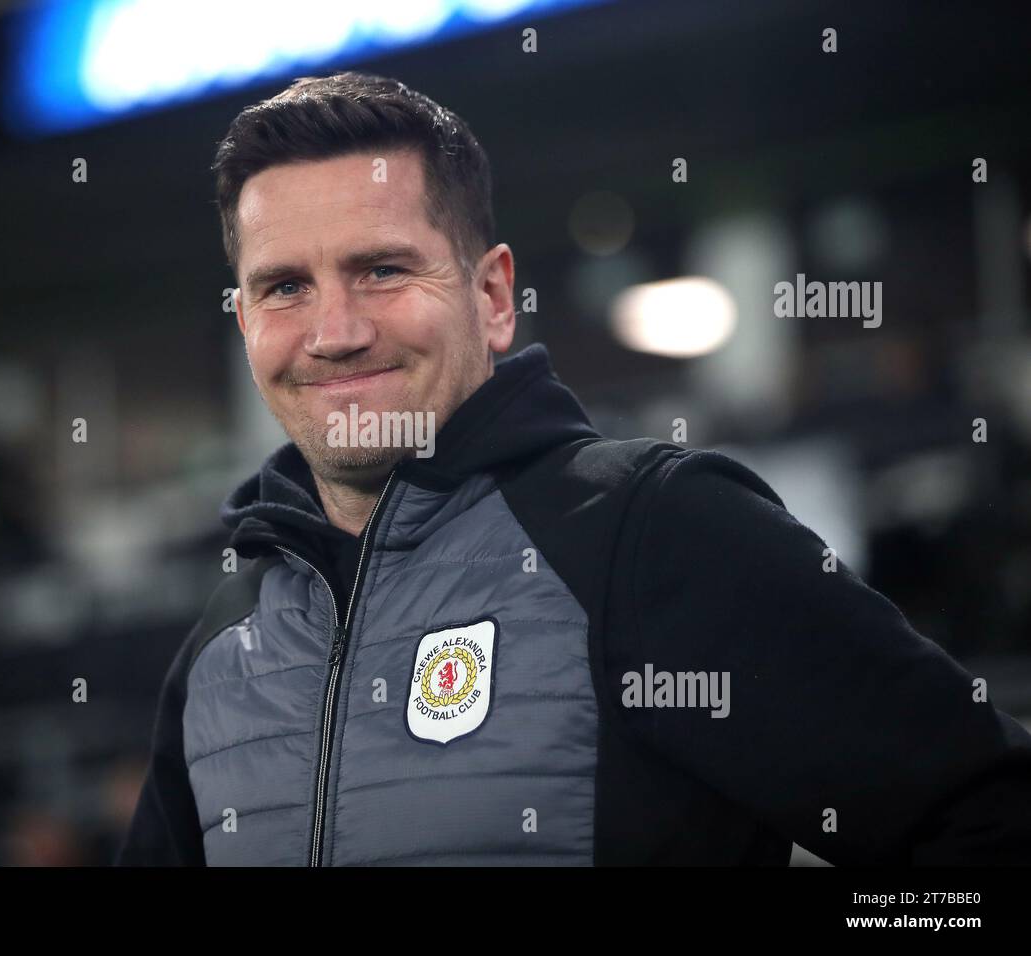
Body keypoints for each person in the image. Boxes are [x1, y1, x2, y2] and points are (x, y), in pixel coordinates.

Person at [117, 72, 1031, 866]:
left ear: (492, 296)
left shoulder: (656, 532)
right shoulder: (226, 641)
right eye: (286, 287)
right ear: (245, 323)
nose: (336, 331)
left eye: (384, 270)